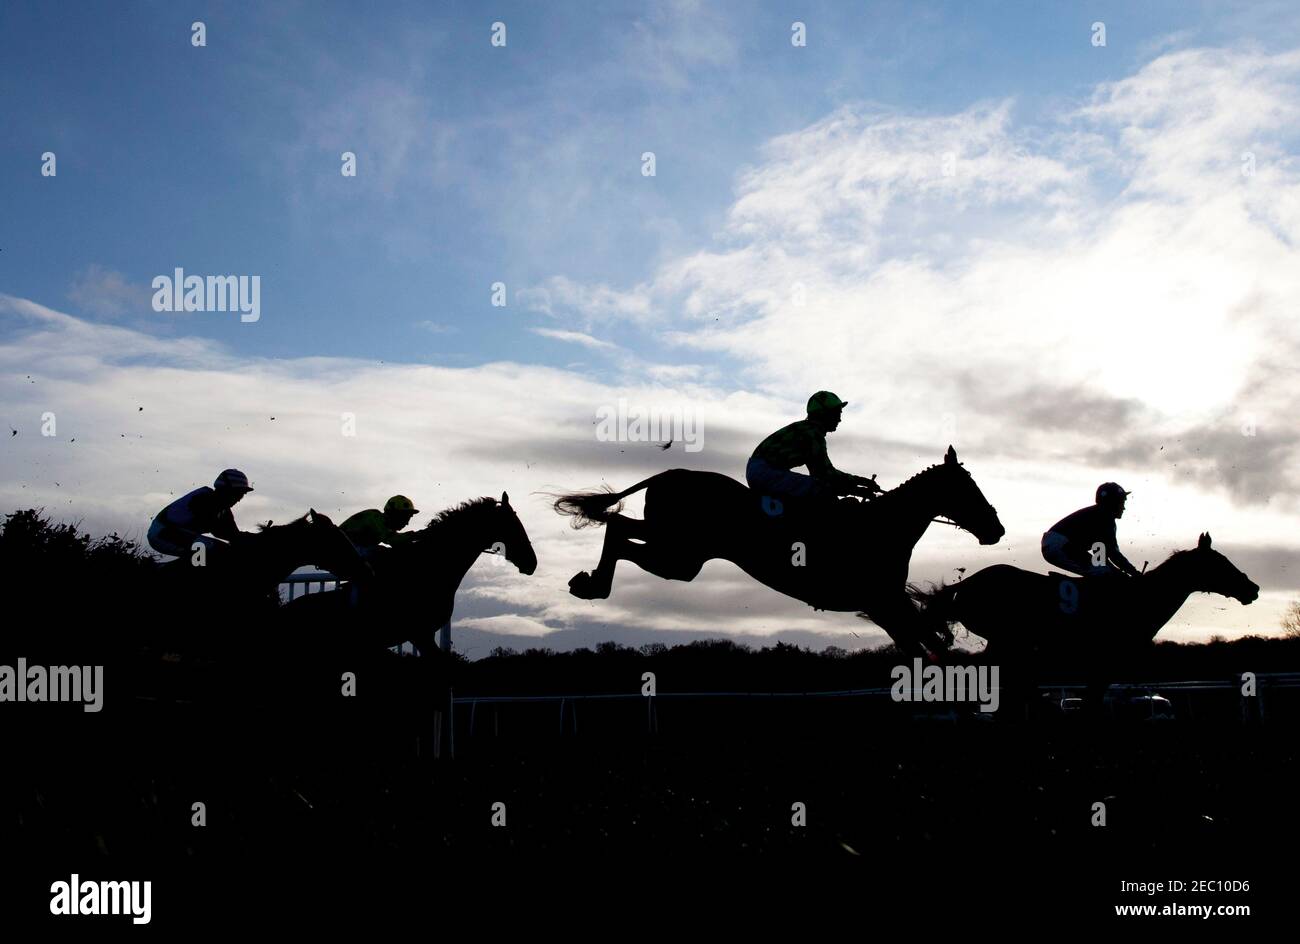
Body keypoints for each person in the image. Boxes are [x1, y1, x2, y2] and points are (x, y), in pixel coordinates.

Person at [746, 391, 882, 507]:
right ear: (824, 414)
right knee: (821, 490)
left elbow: (824, 473)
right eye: (837, 413)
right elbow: (824, 474)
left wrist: (858, 484)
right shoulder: (812, 434)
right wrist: (858, 487)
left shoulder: (806, 429)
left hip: (760, 470)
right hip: (764, 473)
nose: (839, 419)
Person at [147, 468, 252, 562]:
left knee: (217, 550)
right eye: (238, 493)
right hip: (162, 533)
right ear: (226, 490)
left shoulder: (222, 508)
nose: (239, 499)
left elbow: (233, 535)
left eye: (242, 495)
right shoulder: (205, 499)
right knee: (215, 549)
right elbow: (220, 531)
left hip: (173, 533)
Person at [1041, 482, 1141, 578]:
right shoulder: (1105, 518)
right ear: (1112, 503)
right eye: (1121, 502)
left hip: (1056, 544)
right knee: (1103, 572)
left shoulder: (1099, 515)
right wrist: (1134, 573)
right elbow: (1113, 555)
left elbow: (1101, 557)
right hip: (1060, 545)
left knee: (1103, 570)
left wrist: (1119, 572)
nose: (1124, 508)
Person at [340, 495, 420, 557]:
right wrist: (418, 535)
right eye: (405, 518)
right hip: (338, 550)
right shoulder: (374, 517)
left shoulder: (380, 523)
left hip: (344, 550)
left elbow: (396, 541)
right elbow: (393, 539)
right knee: (380, 553)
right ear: (394, 515)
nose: (407, 523)